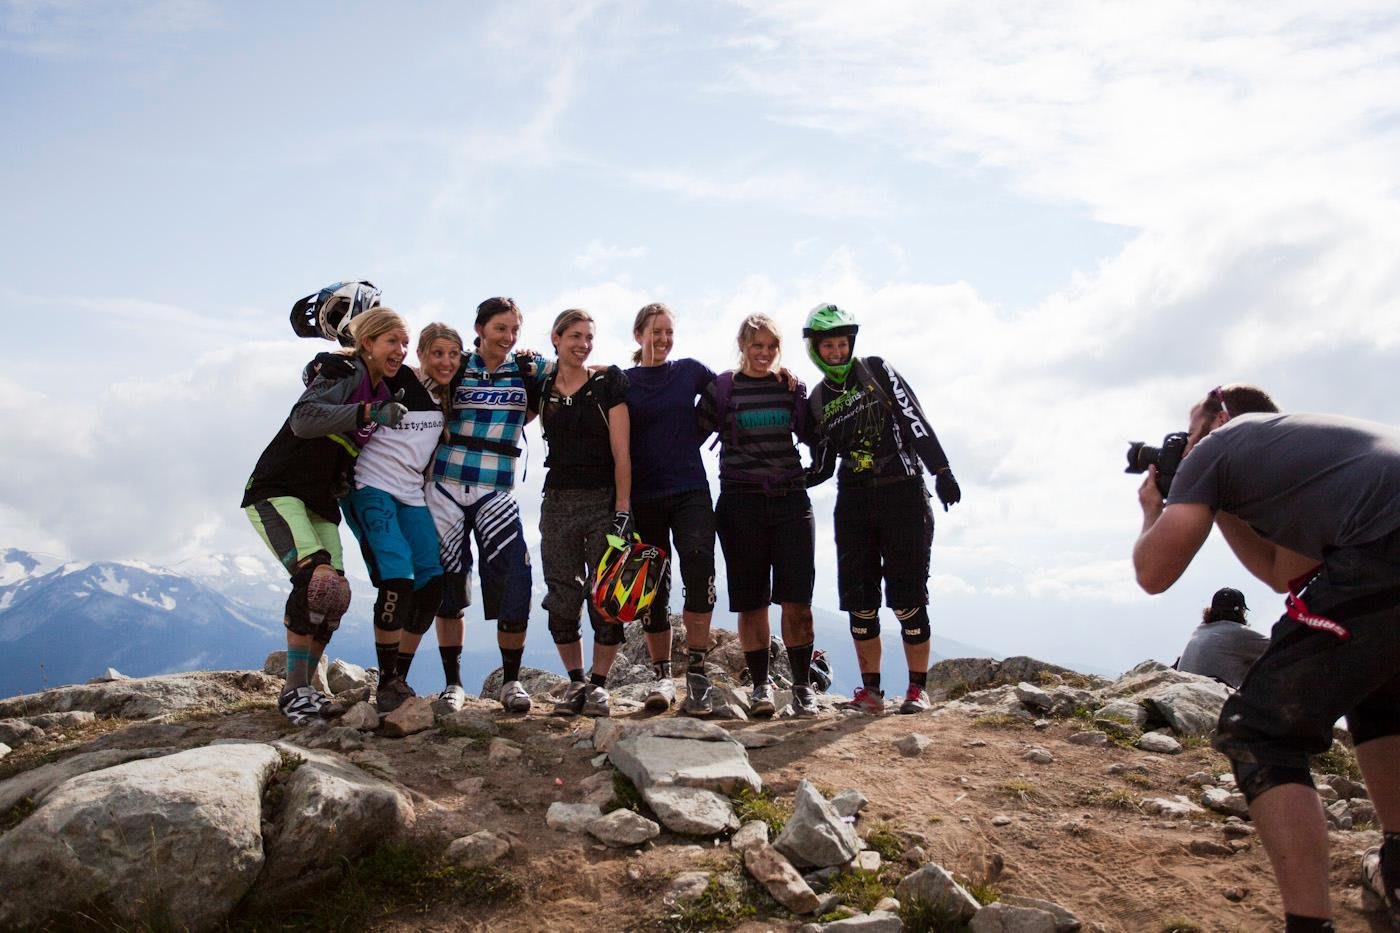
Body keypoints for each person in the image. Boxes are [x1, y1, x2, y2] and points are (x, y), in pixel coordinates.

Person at [1133, 383, 1400, 932]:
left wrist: (1153, 508)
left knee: (1259, 732)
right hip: (1383, 536)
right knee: (1376, 685)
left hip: (1384, 544)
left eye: (1192, 428)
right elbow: (1284, 572)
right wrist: (1223, 504)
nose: (1187, 444)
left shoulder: (1219, 444)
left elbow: (1153, 573)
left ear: (1220, 415)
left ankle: (1309, 926)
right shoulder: (1304, 451)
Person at [242, 296, 407, 726]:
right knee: (315, 582)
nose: (401, 351)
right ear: (367, 342)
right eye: (393, 341)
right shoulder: (342, 370)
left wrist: (343, 476)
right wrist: (368, 411)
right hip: (277, 488)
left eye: (405, 344)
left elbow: (345, 446)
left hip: (320, 499)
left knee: (335, 595)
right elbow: (304, 419)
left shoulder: (385, 390)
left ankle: (307, 689)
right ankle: (294, 692)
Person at [803, 303, 962, 715]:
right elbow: (821, 465)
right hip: (853, 501)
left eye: (842, 344)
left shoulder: (876, 370)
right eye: (829, 346)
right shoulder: (818, 400)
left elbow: (914, 418)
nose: (837, 352)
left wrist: (941, 469)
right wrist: (788, 480)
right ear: (816, 350)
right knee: (860, 598)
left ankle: (917, 690)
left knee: (907, 596)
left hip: (903, 493)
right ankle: (870, 694)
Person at [311, 322, 460, 713]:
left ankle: (398, 676)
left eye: (453, 355)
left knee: (431, 584)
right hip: (369, 488)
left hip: (411, 495)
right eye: (436, 353)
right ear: (421, 354)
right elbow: (355, 364)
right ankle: (388, 678)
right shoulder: (399, 378)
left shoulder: (451, 394)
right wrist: (324, 366)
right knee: (397, 577)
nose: (445, 362)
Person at [428, 297, 551, 713]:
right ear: (480, 328)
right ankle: (452, 684)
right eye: (501, 328)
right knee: (449, 584)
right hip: (445, 483)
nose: (509, 336)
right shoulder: (456, 365)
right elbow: (413, 378)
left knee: (516, 580)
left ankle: (511, 681)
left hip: (496, 488)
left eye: (515, 329)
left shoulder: (528, 370)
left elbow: (576, 374)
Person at [697, 314, 820, 718]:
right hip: (740, 504)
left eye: (771, 346)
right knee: (752, 604)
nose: (764, 353)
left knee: (797, 601)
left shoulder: (790, 388)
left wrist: (821, 470)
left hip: (790, 503)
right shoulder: (723, 389)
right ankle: (760, 687)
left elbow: (816, 437)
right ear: (742, 345)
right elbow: (688, 437)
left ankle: (802, 688)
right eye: (756, 346)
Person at [536, 309, 633, 717]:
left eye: (588, 337)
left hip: (602, 502)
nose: (583, 344)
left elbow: (621, 452)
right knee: (561, 596)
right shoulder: (540, 386)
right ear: (556, 338)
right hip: (556, 501)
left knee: (607, 595)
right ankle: (576, 683)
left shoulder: (607, 384)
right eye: (574, 336)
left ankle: (599, 685)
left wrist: (623, 509)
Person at [627, 302, 720, 715]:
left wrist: (786, 379)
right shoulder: (623, 381)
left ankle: (697, 675)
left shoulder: (690, 371)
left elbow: (731, 390)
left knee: (699, 568)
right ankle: (661, 675)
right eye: (655, 331)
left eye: (668, 332)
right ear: (638, 335)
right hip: (644, 496)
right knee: (653, 587)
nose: (663, 339)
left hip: (690, 490)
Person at [1175, 586, 1268, 689]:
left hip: (1183, 691)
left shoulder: (1199, 631)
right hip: (1209, 695)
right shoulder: (1237, 632)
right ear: (1240, 612)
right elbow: (1280, 647)